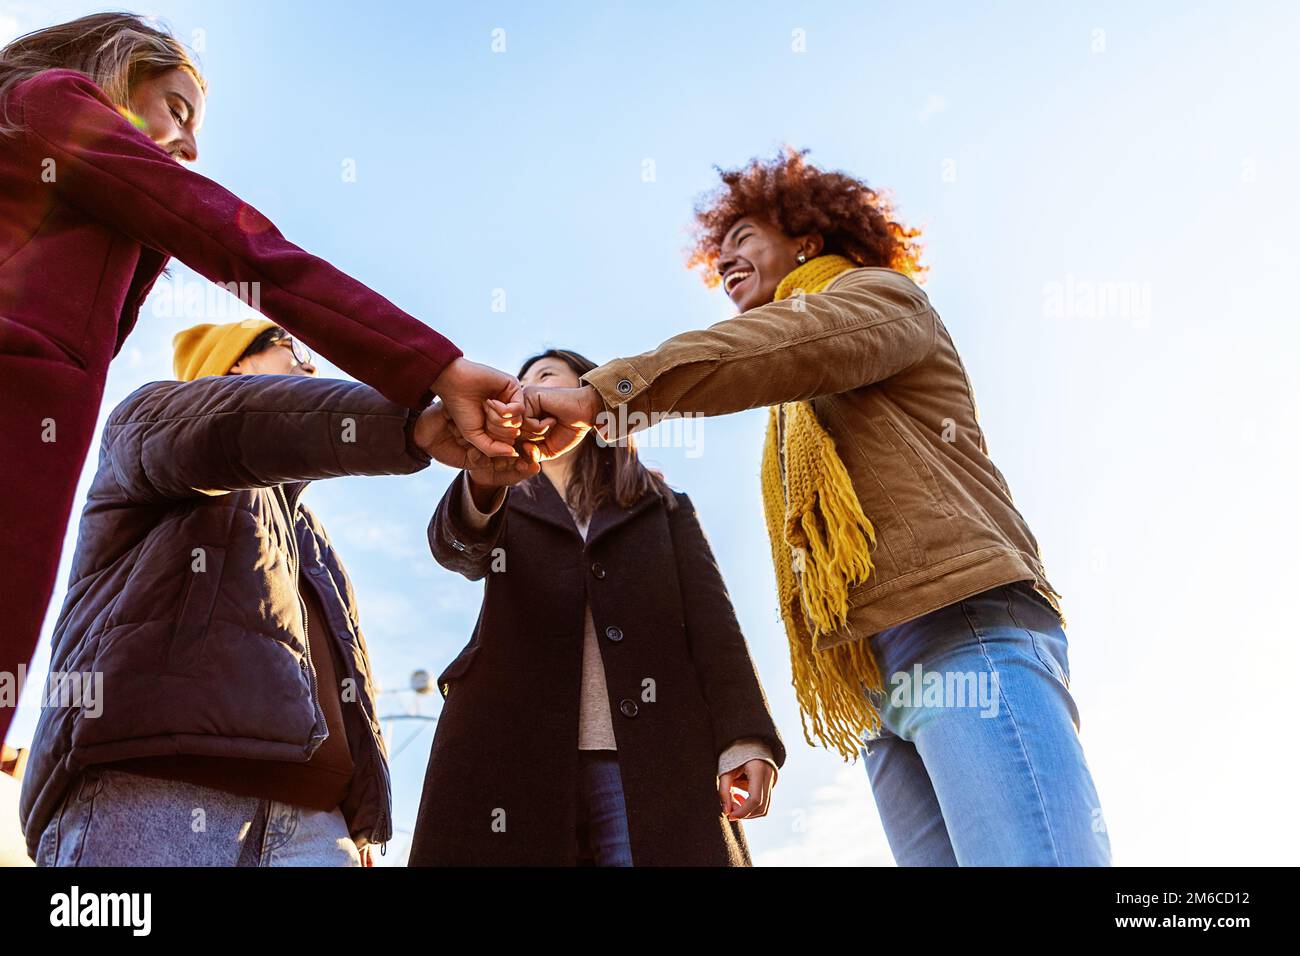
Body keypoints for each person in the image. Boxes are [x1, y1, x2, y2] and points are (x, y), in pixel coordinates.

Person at [521, 150, 1112, 866]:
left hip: (962, 634)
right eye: (718, 252)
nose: (726, 260)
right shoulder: (792, 401)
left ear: (807, 237)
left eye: (743, 237)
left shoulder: (879, 298)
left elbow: (787, 344)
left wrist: (606, 393)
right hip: (870, 681)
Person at [0, 12, 523, 746]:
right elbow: (238, 242)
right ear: (117, 66)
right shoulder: (52, 99)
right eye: (177, 109)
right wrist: (434, 368)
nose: (189, 144)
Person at [20, 320, 533, 866]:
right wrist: (413, 426)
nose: (312, 366)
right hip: (151, 787)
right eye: (294, 349)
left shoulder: (309, 537)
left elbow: (346, 686)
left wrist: (357, 822)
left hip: (317, 824)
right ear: (238, 361)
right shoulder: (151, 421)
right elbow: (233, 425)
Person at [408, 350, 785, 866]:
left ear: (585, 397)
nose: (526, 391)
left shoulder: (662, 503)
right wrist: (483, 481)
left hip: (650, 764)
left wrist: (745, 736)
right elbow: (457, 552)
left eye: (545, 378)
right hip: (510, 757)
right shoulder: (498, 494)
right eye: (518, 383)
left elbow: (714, 625)